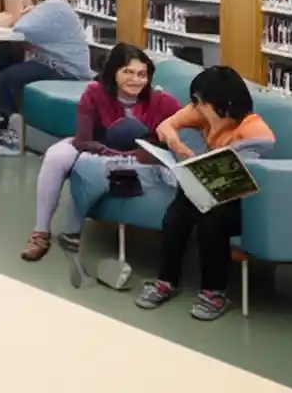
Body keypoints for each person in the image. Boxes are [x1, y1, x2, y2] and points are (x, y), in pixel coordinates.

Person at [135, 66, 275, 321]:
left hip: (245, 202)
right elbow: (165, 126)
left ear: (222, 103)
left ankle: (214, 292)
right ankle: (166, 280)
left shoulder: (255, 132)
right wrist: (177, 145)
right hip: (212, 188)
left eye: (200, 103)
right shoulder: (205, 112)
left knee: (213, 220)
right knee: (176, 214)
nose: (196, 109)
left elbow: (241, 176)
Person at [20, 44, 182, 262]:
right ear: (113, 72)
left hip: (140, 157)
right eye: (127, 72)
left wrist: (129, 156)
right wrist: (111, 153)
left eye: (142, 74)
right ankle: (41, 232)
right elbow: (83, 140)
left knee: (94, 165)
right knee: (57, 156)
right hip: (97, 146)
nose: (136, 80)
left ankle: (71, 230)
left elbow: (165, 147)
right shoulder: (95, 93)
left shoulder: (164, 102)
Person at [0, 0, 93, 156]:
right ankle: (8, 121)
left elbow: (20, 28)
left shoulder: (54, 7)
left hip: (65, 69)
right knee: (6, 62)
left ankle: (10, 135)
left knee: (7, 77)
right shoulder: (56, 4)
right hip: (59, 64)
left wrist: (19, 16)